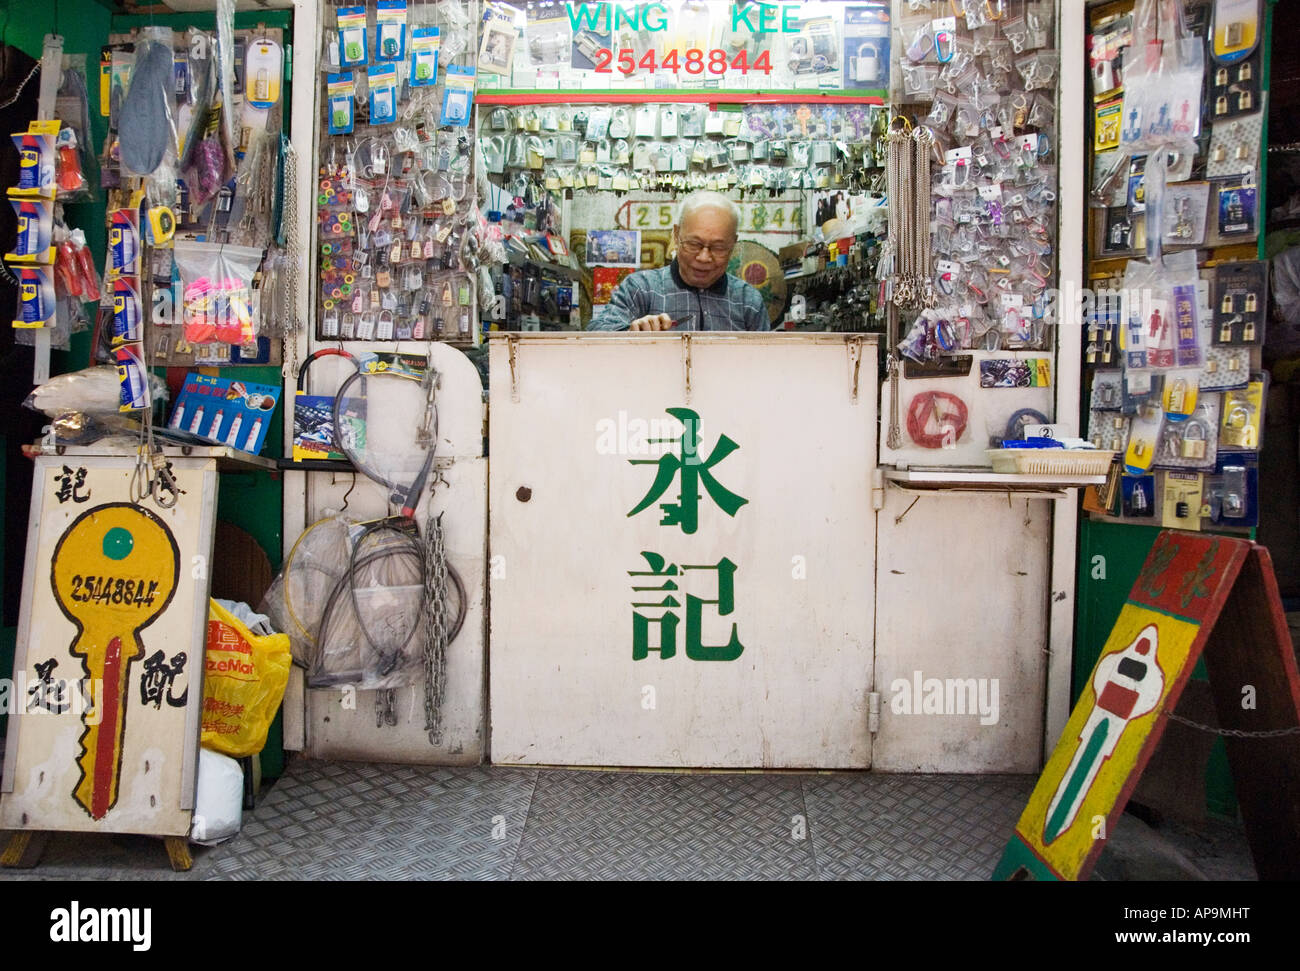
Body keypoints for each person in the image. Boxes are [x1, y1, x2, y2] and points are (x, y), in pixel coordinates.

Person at [588, 191, 769, 331]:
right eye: (694, 244)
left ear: (733, 244)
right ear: (676, 235)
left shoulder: (748, 302)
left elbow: (768, 362)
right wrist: (630, 332)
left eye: (719, 247)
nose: (704, 257)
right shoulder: (641, 288)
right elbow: (595, 334)